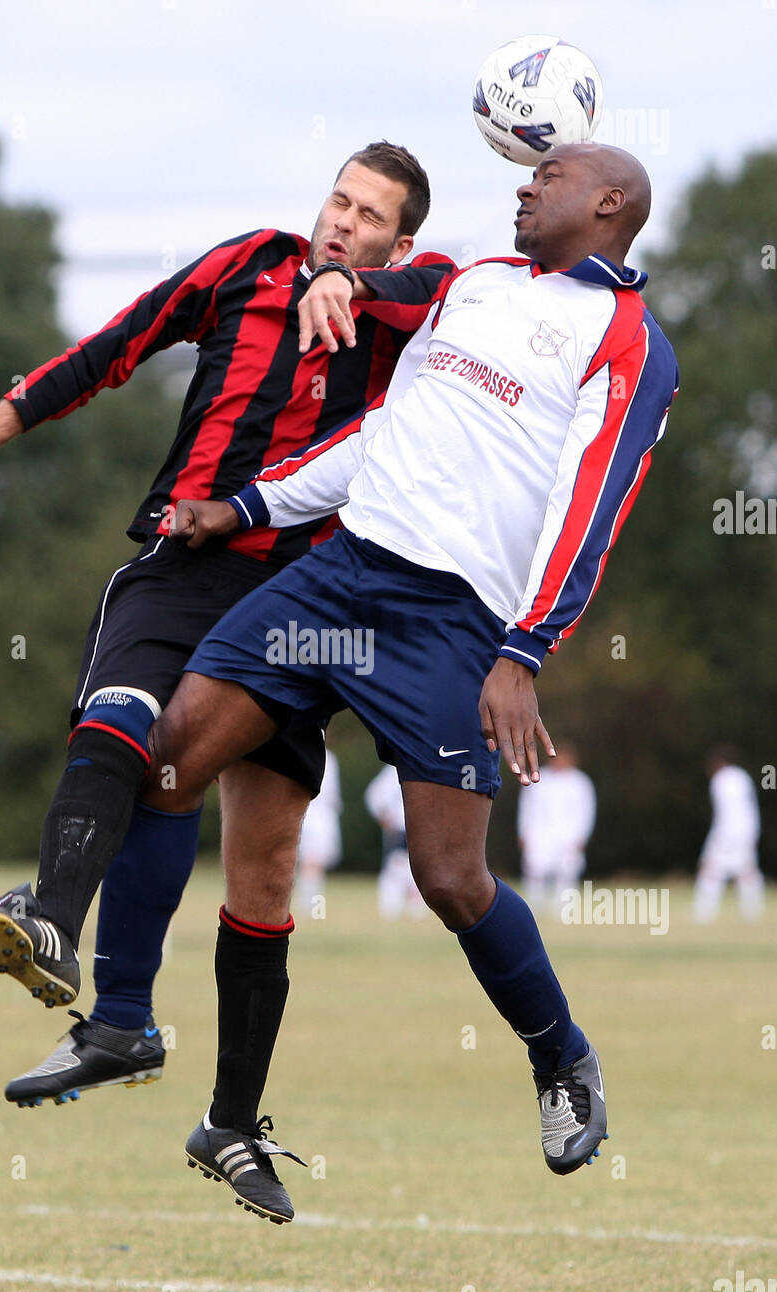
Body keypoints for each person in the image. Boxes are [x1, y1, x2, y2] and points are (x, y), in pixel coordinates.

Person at [120, 142, 677, 1222]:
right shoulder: (470, 283)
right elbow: (381, 431)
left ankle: (558, 1055)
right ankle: (123, 1018)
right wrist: (249, 506)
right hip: (340, 573)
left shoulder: (629, 341)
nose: (524, 182)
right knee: (173, 750)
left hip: (453, 624)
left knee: (448, 877)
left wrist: (524, 650)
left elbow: (591, 503)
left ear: (609, 207)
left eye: (550, 177)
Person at [0, 145, 455, 1150]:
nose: (342, 221)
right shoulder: (247, 263)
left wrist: (356, 280)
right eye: (336, 202)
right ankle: (77, 953)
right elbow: (115, 346)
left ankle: (230, 1121)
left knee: (264, 863)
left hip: (306, 594)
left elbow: (439, 285)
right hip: (183, 560)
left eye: (368, 215)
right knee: (130, 722)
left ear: (399, 237)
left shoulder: (414, 306)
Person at [517, 740, 596, 913]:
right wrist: (524, 832)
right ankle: (533, 907)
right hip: (540, 833)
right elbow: (527, 808)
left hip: (569, 834)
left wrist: (582, 836)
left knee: (566, 872)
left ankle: (562, 909)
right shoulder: (539, 779)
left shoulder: (580, 782)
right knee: (535, 870)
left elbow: (586, 812)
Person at [693, 747, 764, 922]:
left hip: (727, 831)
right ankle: (752, 911)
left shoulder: (720, 780)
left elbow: (725, 812)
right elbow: (750, 808)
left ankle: (704, 911)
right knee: (746, 870)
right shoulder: (743, 777)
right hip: (747, 830)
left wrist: (717, 836)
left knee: (711, 869)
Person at [364, 763, 427, 919]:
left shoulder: (426, 768)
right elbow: (375, 796)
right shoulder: (393, 771)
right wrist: (384, 818)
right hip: (399, 827)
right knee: (395, 866)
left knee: (420, 867)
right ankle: (391, 906)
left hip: (421, 828)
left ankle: (416, 908)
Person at [295, 747, 342, 917]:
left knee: (311, 865)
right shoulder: (328, 758)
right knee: (313, 865)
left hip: (313, 814)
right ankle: (313, 909)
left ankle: (312, 908)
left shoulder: (327, 757)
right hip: (317, 818)